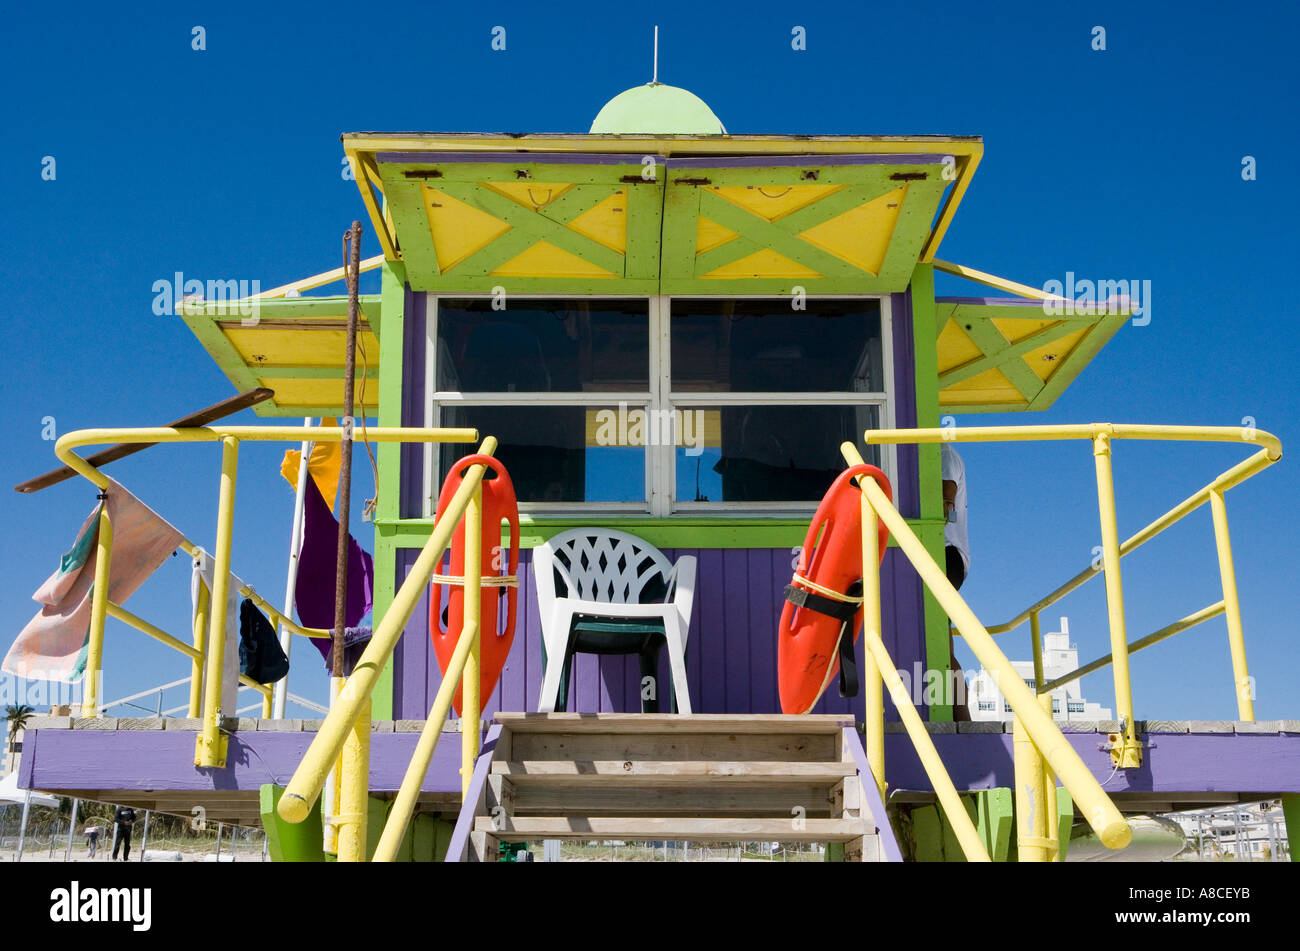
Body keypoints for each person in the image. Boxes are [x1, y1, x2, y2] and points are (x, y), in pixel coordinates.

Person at [941, 443, 971, 721]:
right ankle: (962, 720)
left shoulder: (942, 452)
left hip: (947, 554)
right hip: (942, 553)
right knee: (941, 642)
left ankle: (963, 720)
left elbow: (945, 500)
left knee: (941, 645)